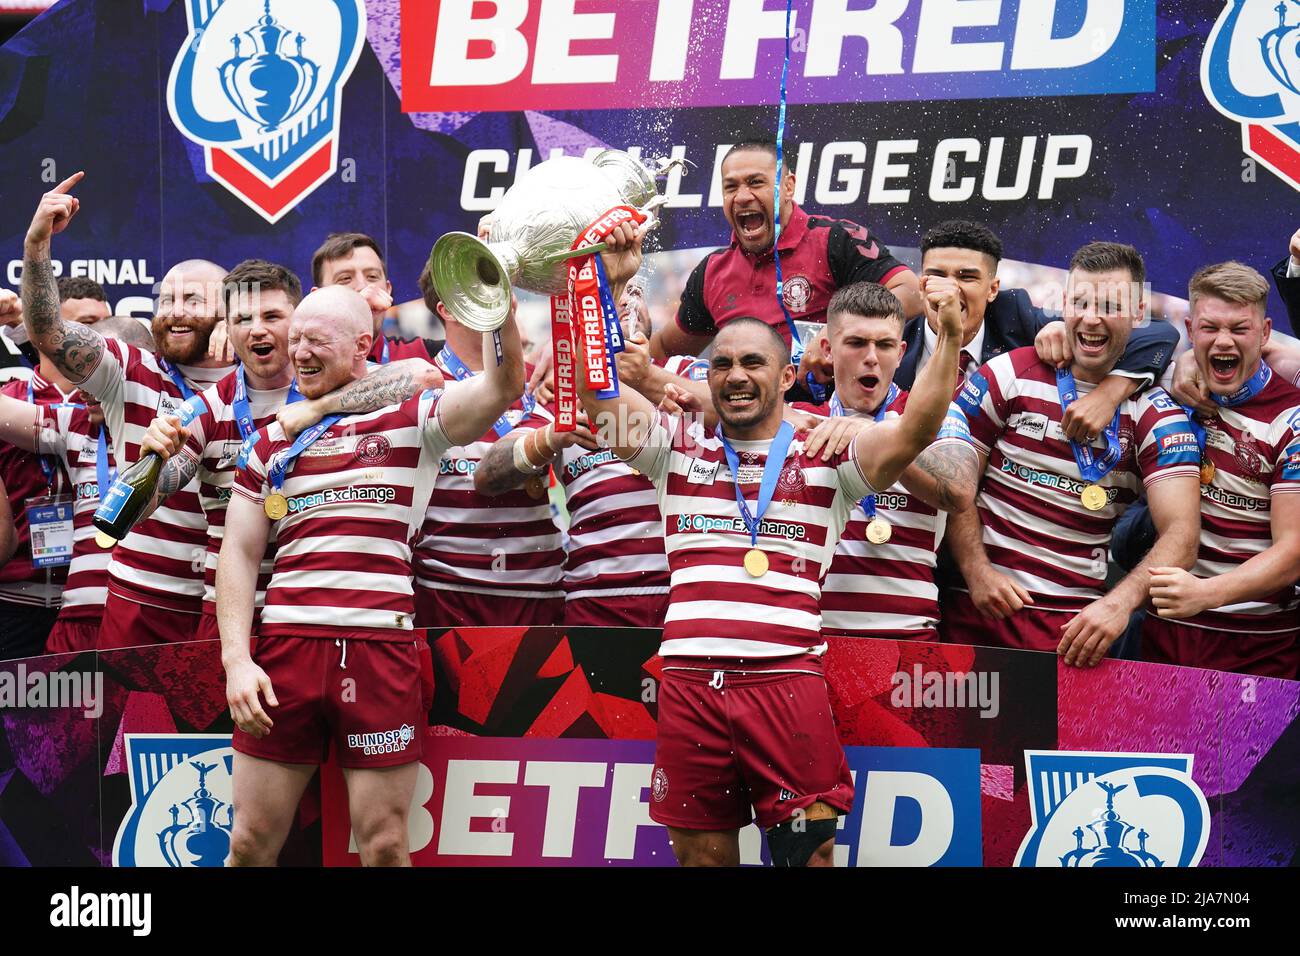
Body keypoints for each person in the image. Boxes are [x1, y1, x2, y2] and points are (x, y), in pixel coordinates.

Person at [578, 222, 966, 866]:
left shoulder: (827, 452)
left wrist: (949, 338)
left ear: (786, 377)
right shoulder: (672, 446)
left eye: (753, 362)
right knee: (702, 857)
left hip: (785, 682)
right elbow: (597, 396)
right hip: (690, 684)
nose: (735, 376)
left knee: (807, 859)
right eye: (721, 364)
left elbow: (919, 426)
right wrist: (604, 281)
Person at [216, 284, 524, 866]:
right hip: (286, 652)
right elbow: (238, 551)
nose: (298, 352)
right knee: (249, 844)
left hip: (380, 649)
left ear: (363, 345)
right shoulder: (270, 441)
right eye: (296, 337)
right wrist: (237, 659)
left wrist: (494, 297)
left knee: (383, 844)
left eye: (317, 341)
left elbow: (503, 386)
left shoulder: (414, 415)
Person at [128, 261, 443, 645]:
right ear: (228, 327)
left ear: (298, 323)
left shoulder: (344, 381)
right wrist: (151, 461)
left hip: (317, 615)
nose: (257, 328)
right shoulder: (208, 408)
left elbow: (424, 377)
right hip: (229, 620)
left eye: (272, 316)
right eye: (242, 318)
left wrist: (317, 408)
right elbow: (134, 511)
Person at [943, 242, 1202, 665]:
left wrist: (1117, 606)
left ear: (1139, 315)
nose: (1092, 316)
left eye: (1109, 305)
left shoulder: (1158, 417)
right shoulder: (1008, 373)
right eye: (1081, 301)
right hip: (974, 614)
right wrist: (976, 571)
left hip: (1075, 634)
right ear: (1063, 304)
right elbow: (954, 483)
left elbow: (1183, 537)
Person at [19, 171, 234, 648]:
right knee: (134, 726)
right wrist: (37, 247)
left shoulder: (261, 379)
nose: (175, 311)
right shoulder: (129, 369)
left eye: (193, 300)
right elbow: (48, 333)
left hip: (231, 604)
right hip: (142, 603)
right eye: (166, 300)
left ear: (230, 309)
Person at [473, 277, 679, 628]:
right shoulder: (562, 396)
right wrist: (551, 438)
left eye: (635, 291)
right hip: (594, 605)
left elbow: (741, 416)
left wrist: (655, 385)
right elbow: (487, 477)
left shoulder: (685, 376)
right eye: (611, 296)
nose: (626, 302)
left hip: (685, 596)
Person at [1144, 262, 1300, 679]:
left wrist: (1205, 594)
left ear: (1265, 333)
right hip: (1164, 638)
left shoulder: (1292, 418)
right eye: (1211, 328)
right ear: (1191, 329)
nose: (1224, 340)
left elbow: (1293, 553)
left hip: (1258, 647)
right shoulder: (1166, 392)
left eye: (1239, 329)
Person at [803, 284, 982, 640]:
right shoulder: (803, 421)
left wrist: (877, 437)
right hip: (811, 640)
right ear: (828, 349)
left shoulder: (939, 415)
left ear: (900, 353)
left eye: (884, 345)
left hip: (907, 639)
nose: (871, 357)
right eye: (856, 343)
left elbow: (959, 492)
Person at [649, 141, 921, 370]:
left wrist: (837, 333)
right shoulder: (712, 271)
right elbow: (662, 350)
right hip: (746, 425)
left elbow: (910, 293)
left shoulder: (836, 240)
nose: (742, 196)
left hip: (831, 422)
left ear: (788, 186)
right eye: (731, 187)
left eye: (756, 182)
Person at [410, 257, 564, 628]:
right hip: (444, 596)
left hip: (540, 595)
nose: (499, 294)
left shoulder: (545, 379)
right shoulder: (418, 384)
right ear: (446, 309)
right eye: (479, 284)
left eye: (499, 284)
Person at [0, 317, 149, 655]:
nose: (86, 384)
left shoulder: (188, 424)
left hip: (147, 618)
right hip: (76, 622)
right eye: (81, 372)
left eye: (101, 373)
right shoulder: (75, 424)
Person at [0, 274, 113, 657]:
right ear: (44, 329)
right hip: (16, 600)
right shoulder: (8, 400)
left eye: (106, 325)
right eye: (87, 326)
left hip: (99, 601)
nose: (100, 339)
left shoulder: (119, 405)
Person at [311, 232, 441, 364]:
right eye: (345, 279)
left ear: (388, 290)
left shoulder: (426, 356)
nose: (363, 286)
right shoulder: (306, 363)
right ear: (317, 298)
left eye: (372, 276)